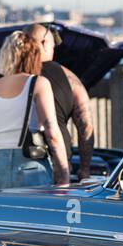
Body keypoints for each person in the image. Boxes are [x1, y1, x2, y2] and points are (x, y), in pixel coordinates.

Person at [0, 31, 70, 190]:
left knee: (2, 215)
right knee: (33, 215)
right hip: (31, 165)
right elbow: (52, 133)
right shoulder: (39, 83)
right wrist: (64, 175)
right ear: (34, 56)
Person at [24, 23, 95, 182]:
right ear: (44, 44)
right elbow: (86, 126)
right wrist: (85, 169)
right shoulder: (71, 79)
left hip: (13, 158)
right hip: (56, 163)